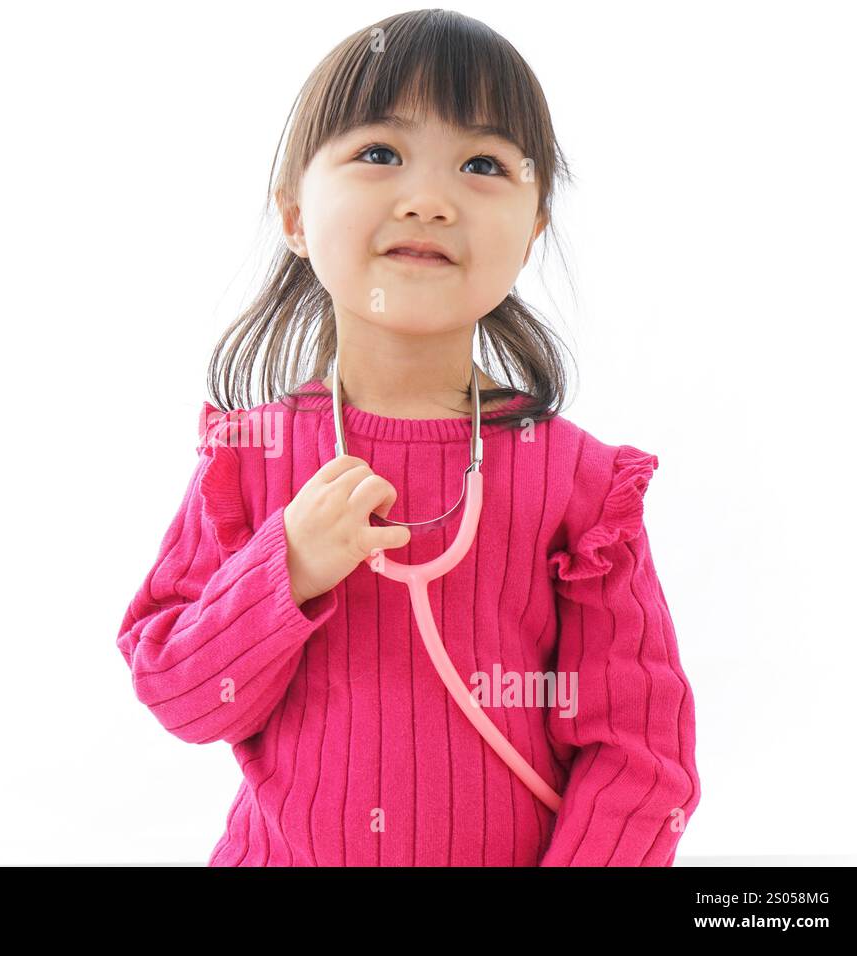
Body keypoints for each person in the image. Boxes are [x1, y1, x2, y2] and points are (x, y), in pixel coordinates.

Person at [115, 9, 699, 866]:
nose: (429, 200)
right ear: (295, 216)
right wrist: (285, 571)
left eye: (483, 165)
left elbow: (641, 761)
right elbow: (183, 697)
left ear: (533, 230)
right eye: (380, 153)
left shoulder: (580, 486)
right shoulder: (249, 459)